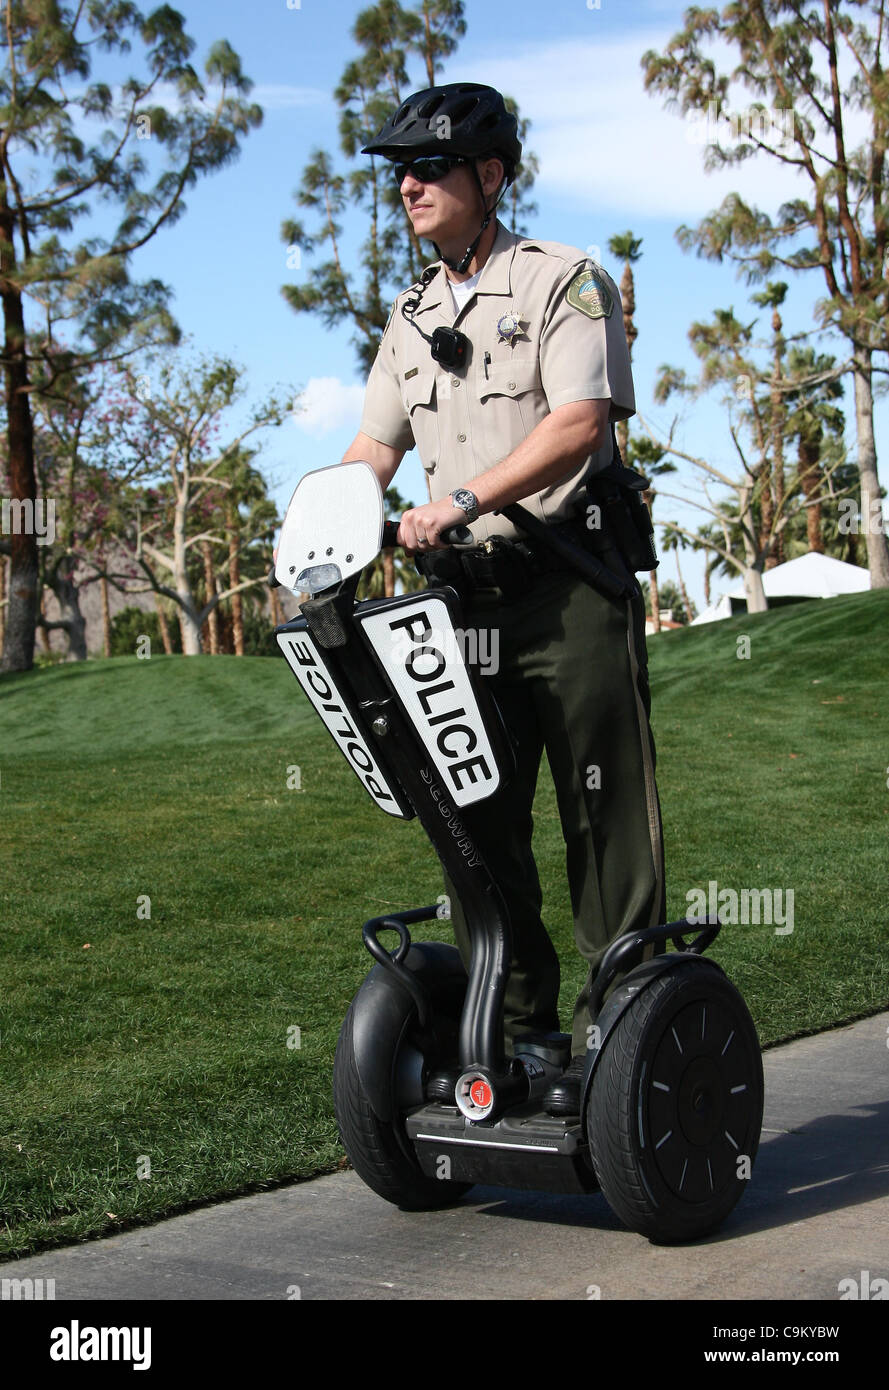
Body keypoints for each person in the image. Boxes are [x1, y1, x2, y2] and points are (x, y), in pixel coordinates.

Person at [341, 82, 666, 1115]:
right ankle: (517, 1035)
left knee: (600, 810)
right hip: (462, 610)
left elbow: (578, 423)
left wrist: (468, 496)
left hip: (568, 583)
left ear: (489, 175)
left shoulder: (562, 282)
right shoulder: (407, 319)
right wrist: (317, 537)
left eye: (428, 168)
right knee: (477, 820)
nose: (407, 186)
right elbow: (372, 451)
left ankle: (621, 1030)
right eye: (399, 172)